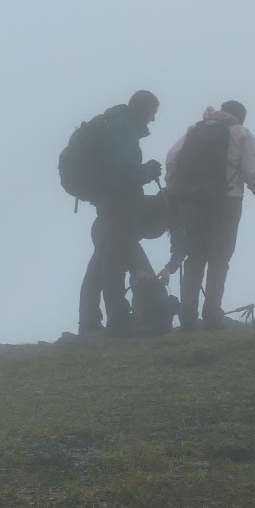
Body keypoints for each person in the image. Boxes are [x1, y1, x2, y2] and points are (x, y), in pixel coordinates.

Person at [161, 101, 255, 330]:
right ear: (241, 117)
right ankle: (212, 314)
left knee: (194, 257)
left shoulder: (195, 130)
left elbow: (171, 159)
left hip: (191, 202)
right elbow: (250, 171)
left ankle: (187, 314)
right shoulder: (240, 132)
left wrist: (178, 189)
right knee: (219, 258)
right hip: (227, 201)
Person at [78, 90, 163, 337]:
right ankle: (116, 321)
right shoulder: (123, 128)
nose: (153, 120)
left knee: (102, 262)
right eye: (152, 114)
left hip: (110, 204)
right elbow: (119, 170)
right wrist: (147, 171)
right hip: (117, 206)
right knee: (112, 264)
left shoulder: (119, 125)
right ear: (142, 110)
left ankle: (92, 321)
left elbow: (117, 169)